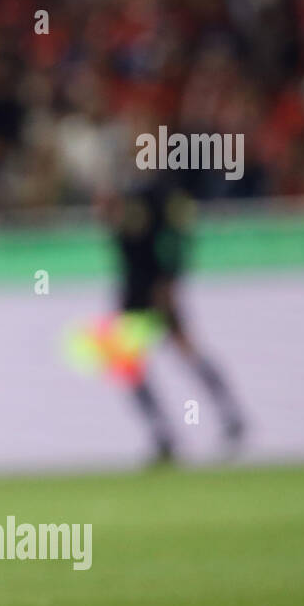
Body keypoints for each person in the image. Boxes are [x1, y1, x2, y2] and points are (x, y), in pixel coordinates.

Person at [104, 172, 245, 463]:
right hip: (135, 291)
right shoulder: (125, 188)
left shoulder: (160, 193)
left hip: (155, 290)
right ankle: (165, 432)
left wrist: (169, 280)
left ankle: (229, 416)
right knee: (130, 364)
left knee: (180, 353)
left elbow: (177, 237)